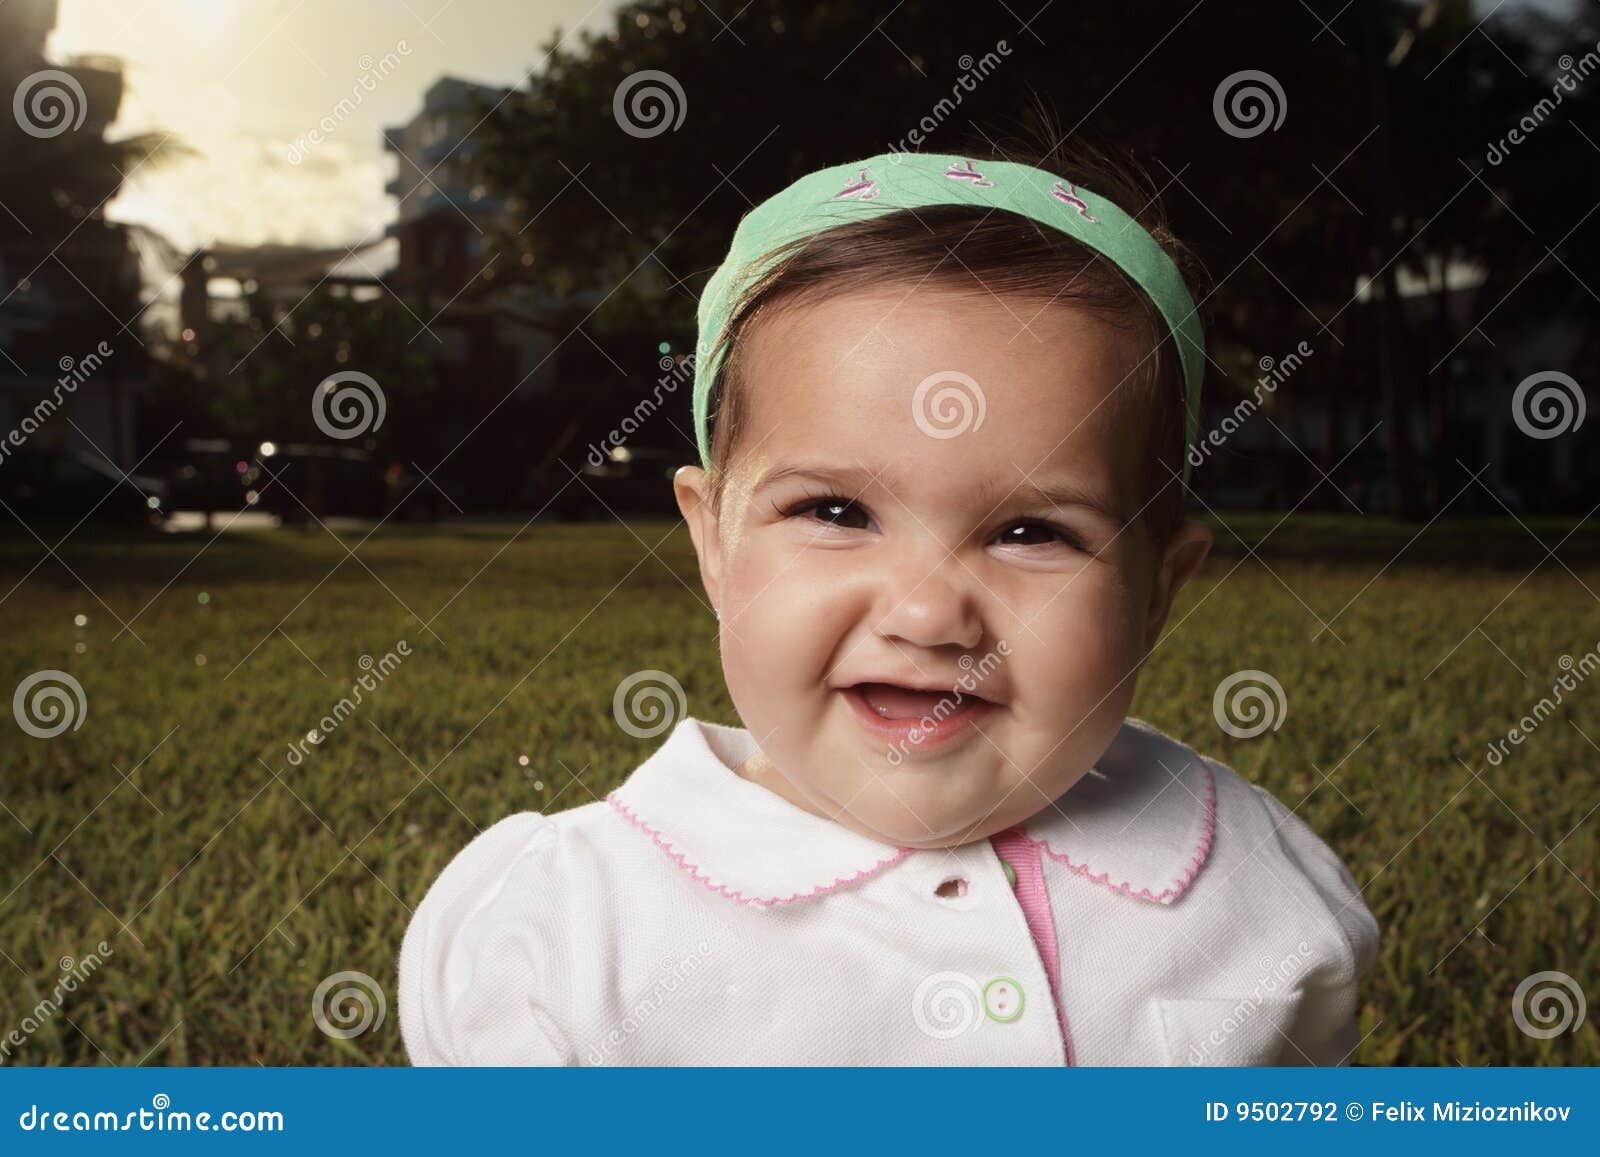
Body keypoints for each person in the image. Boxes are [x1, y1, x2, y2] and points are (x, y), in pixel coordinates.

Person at [397, 146, 1379, 1065]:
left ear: (1156, 589)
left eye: (1031, 531)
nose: (924, 613)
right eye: (835, 510)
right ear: (713, 542)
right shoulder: (568, 922)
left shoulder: (1250, 884)